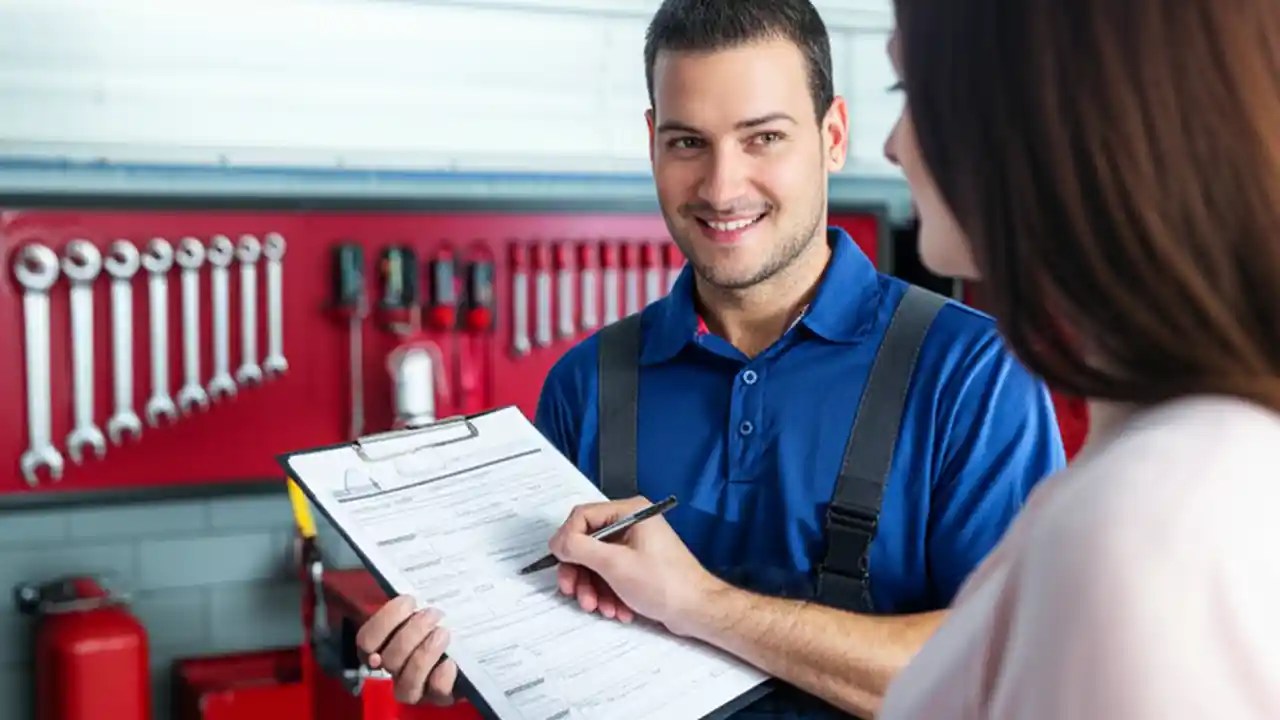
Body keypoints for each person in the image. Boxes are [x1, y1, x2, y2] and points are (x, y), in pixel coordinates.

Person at [355, 1, 1067, 717]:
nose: (722, 188)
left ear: (834, 136)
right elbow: (556, 659)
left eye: (762, 138)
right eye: (688, 143)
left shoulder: (973, 375)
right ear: (652, 143)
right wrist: (475, 653)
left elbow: (1007, 673)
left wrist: (702, 605)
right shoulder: (586, 386)